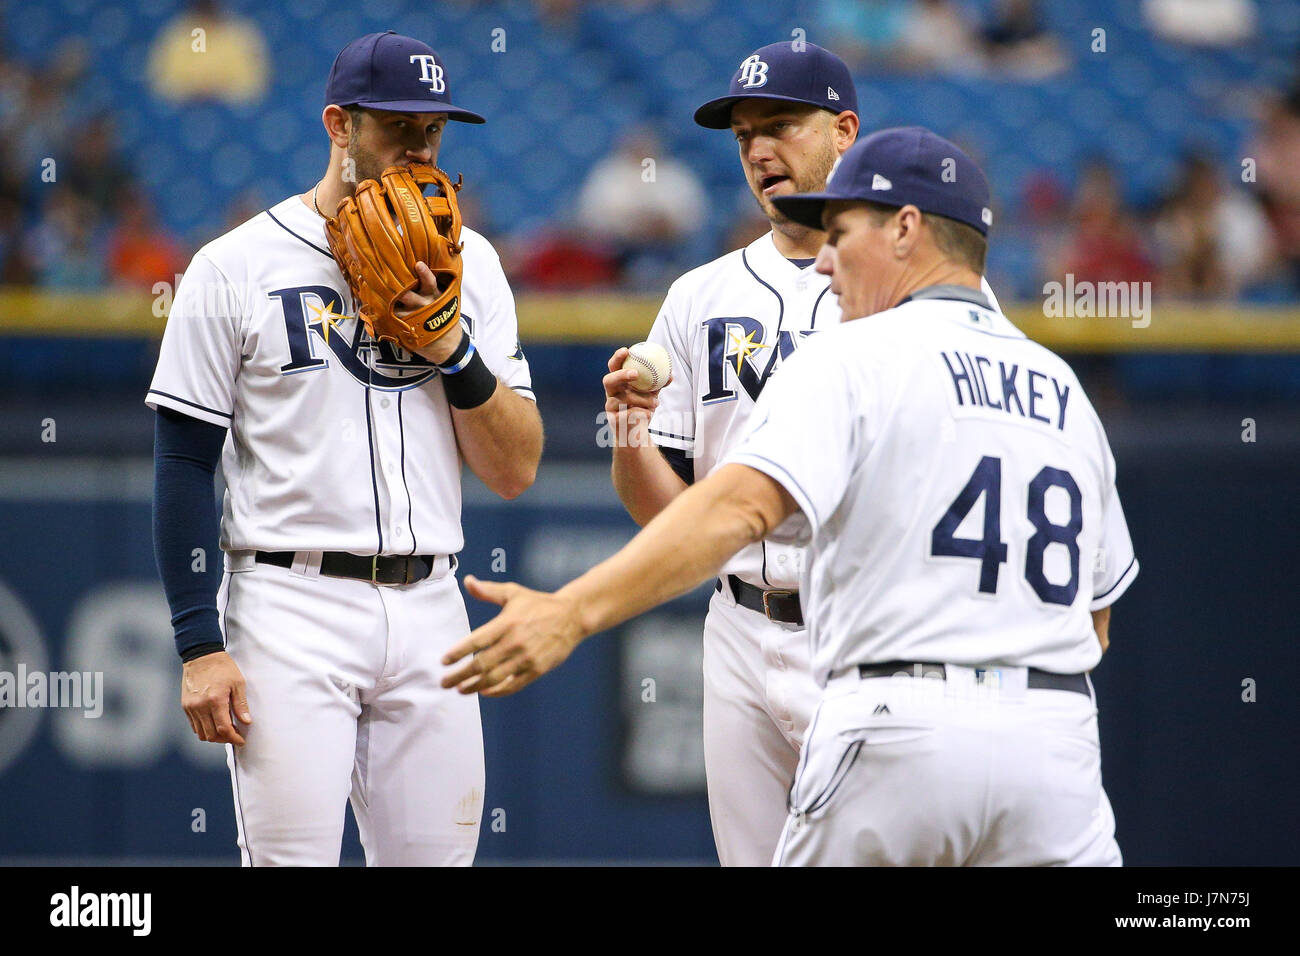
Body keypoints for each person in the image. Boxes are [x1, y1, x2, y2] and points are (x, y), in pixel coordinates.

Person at [442, 126, 1137, 867]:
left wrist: (572, 611)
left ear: (906, 230)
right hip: (1056, 743)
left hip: (901, 723)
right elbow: (1096, 618)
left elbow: (735, 508)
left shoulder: (855, 355)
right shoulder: (1063, 389)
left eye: (843, 233)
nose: (826, 262)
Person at [147, 31, 543, 866]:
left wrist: (451, 348)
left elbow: (515, 468)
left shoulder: (473, 264)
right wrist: (198, 644)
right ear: (339, 125)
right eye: (398, 128)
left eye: (432, 130)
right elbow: (183, 463)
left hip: (432, 603)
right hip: (290, 604)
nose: (420, 149)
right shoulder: (233, 266)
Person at [602, 42, 991, 867]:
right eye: (744, 135)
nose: (758, 150)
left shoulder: (915, 279)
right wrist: (629, 428)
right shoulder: (698, 296)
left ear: (844, 130)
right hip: (739, 625)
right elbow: (666, 518)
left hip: (872, 634)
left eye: (780, 125)